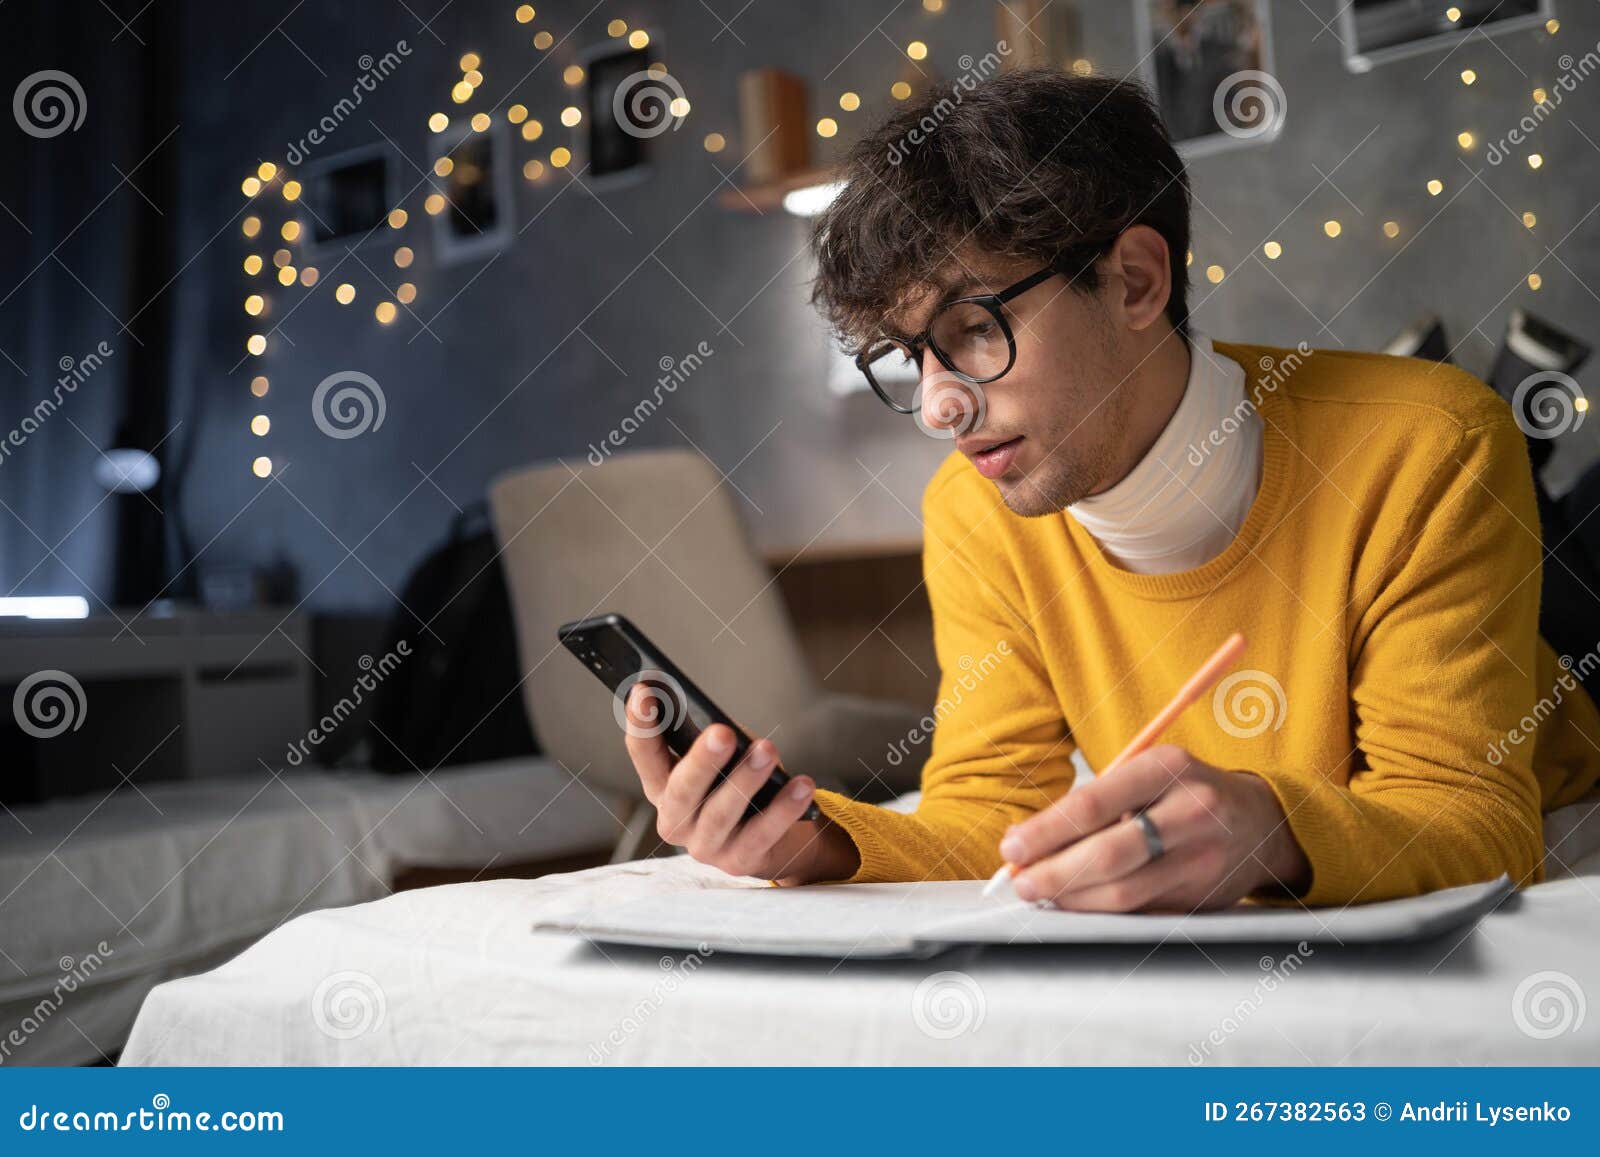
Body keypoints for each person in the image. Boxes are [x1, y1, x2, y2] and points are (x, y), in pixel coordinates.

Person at [621, 69, 1600, 911]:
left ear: (1134, 281)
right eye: (909, 357)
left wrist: (1269, 830)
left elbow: (1472, 821)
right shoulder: (972, 510)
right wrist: (808, 841)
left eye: (970, 332)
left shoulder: (1426, 439)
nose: (938, 410)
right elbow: (988, 812)